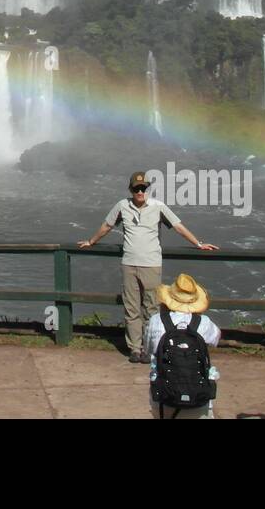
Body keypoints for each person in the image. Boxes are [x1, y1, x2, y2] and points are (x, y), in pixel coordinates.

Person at [78, 171, 218, 363]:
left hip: (151, 264)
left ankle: (150, 347)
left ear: (147, 189)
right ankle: (135, 348)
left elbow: (178, 226)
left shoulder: (158, 207)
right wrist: (91, 241)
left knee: (151, 308)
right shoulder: (122, 206)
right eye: (137, 188)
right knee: (131, 308)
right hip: (129, 263)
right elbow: (107, 226)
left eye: (143, 188)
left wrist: (198, 243)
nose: (140, 191)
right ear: (131, 189)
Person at [145, 272, 220, 419]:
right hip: (199, 397)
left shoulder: (156, 320)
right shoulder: (204, 322)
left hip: (163, 397)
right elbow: (215, 340)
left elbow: (149, 350)